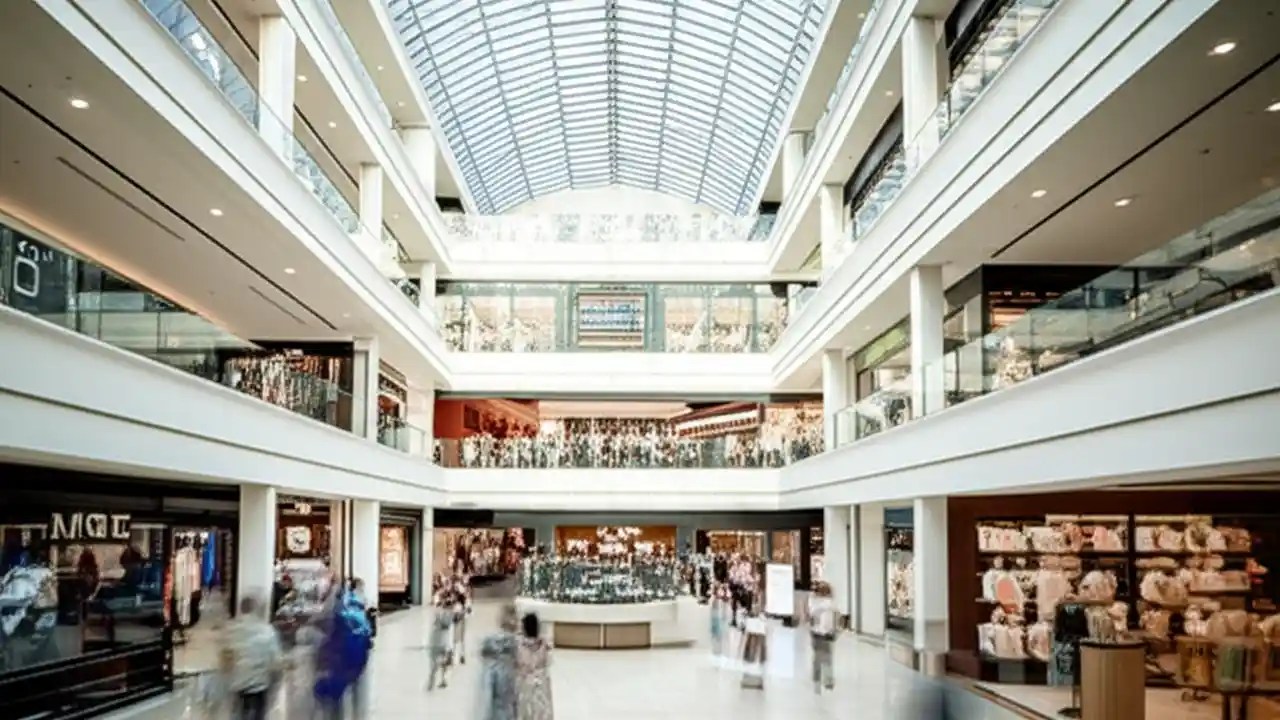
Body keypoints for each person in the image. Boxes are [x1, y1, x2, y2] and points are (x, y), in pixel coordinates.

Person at [223, 595, 284, 720]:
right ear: (256, 610)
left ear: (241, 609)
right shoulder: (267, 631)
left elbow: (226, 659)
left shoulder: (232, 630)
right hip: (259, 686)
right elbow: (277, 660)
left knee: (239, 714)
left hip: (238, 685)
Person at [478, 604, 519, 720]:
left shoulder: (491, 639)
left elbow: (484, 654)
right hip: (508, 682)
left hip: (497, 680)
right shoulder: (517, 642)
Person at [516, 613, 554, 720]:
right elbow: (548, 662)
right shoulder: (545, 645)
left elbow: (517, 664)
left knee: (525, 713)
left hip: (525, 686)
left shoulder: (519, 645)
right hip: (541, 684)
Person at [808, 581, 837, 693]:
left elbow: (812, 617)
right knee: (827, 658)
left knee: (817, 658)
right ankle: (828, 680)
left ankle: (817, 679)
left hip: (817, 633)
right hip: (826, 634)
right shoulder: (831, 605)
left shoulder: (815, 604)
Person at [427, 600, 454, 690]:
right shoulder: (450, 615)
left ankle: (432, 682)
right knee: (444, 663)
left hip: (438, 642)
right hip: (445, 643)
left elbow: (441, 623)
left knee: (435, 664)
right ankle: (443, 680)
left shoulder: (439, 613)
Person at [739, 602, 767, 690]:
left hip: (757, 622)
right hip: (756, 622)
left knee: (755, 644)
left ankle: (753, 675)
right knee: (753, 644)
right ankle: (751, 675)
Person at [709, 584, 730, 665]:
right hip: (717, 618)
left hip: (718, 618)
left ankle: (718, 652)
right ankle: (717, 652)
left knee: (718, 635)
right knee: (717, 635)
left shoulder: (719, 600)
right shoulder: (715, 600)